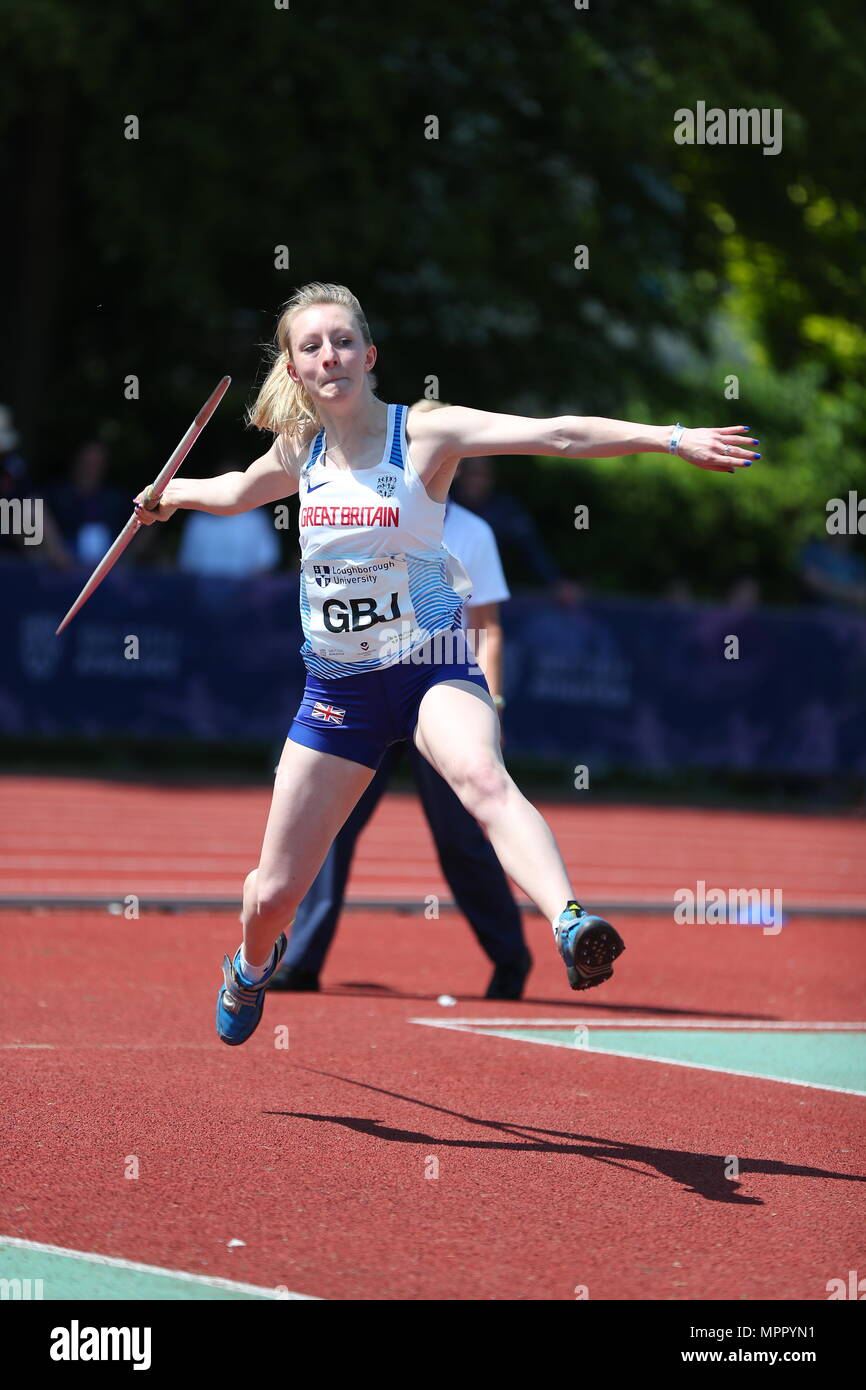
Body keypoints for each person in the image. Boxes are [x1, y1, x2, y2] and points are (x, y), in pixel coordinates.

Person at [133, 282, 759, 1047]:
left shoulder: (424, 434)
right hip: (338, 690)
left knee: (483, 780)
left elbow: (556, 435)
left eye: (342, 341)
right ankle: (251, 964)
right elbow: (239, 489)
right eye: (311, 346)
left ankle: (568, 920)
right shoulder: (302, 451)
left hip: (429, 661)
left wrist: (669, 438)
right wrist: (171, 495)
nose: (329, 355)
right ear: (295, 371)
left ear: (370, 355)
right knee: (270, 896)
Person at [267, 398, 532, 1000]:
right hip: (363, 688)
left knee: (462, 838)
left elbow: (484, 625)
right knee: (329, 827)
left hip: (437, 686)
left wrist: (492, 703)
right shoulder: (363, 496)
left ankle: (510, 960)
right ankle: (300, 960)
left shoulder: (474, 532)